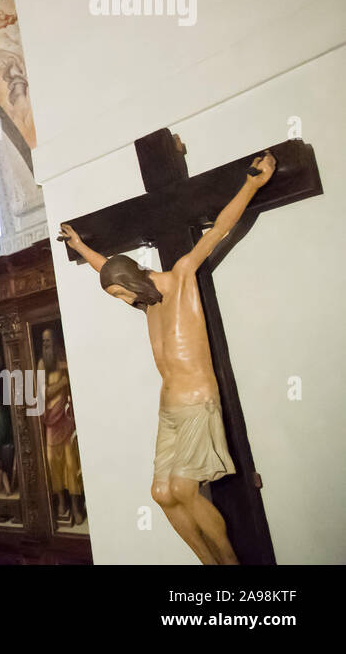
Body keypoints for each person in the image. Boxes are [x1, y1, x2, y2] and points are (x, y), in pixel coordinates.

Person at [58, 150, 276, 564]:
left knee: (181, 490)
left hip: (197, 402)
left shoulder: (179, 278)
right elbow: (107, 266)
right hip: (170, 409)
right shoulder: (146, 304)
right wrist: (82, 246)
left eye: (121, 292)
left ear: (133, 280)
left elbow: (216, 232)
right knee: (161, 493)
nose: (122, 301)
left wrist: (251, 184)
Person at [38, 328, 85, 525]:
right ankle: (61, 501)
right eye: (43, 341)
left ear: (55, 341)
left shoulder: (64, 359)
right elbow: (42, 394)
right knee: (51, 461)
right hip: (51, 420)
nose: (46, 344)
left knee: (71, 463)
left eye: (49, 340)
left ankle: (75, 504)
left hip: (66, 418)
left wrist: (68, 377)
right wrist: (62, 383)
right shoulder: (42, 364)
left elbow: (78, 383)